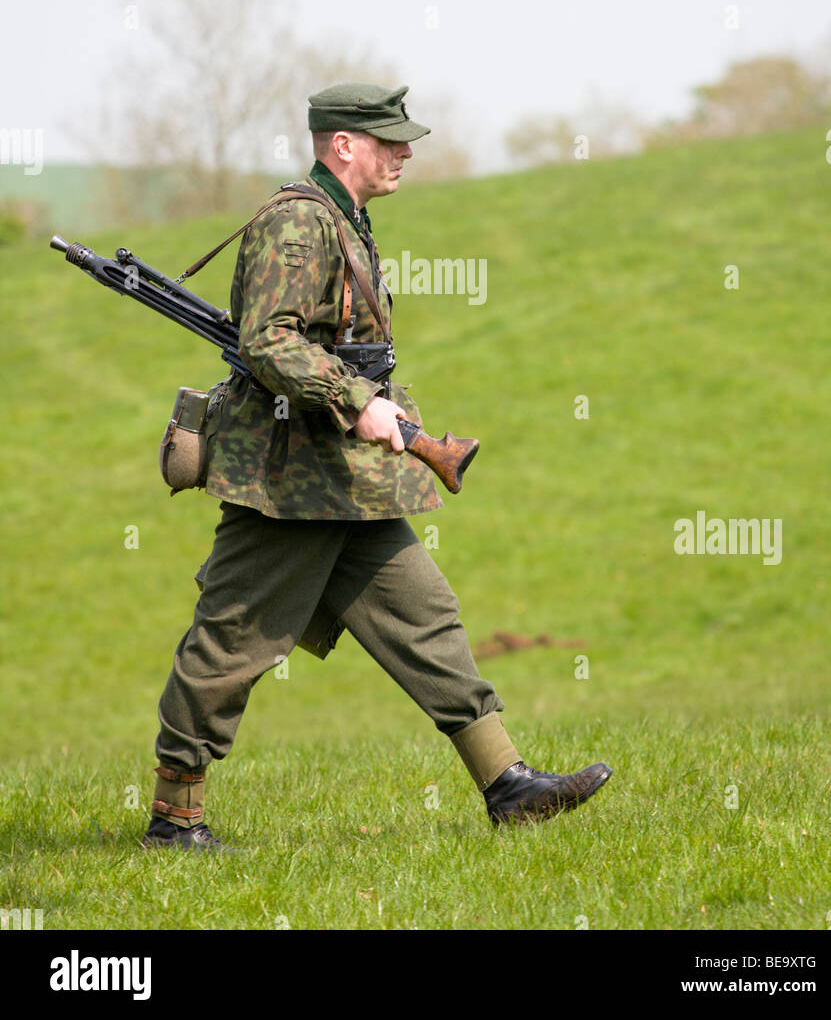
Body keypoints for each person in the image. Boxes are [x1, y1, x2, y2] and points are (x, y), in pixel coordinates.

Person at [142, 83, 612, 850]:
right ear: (343, 145)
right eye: (390, 141)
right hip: (287, 487)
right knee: (230, 647)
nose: (406, 153)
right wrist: (357, 397)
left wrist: (361, 402)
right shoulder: (300, 222)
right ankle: (175, 819)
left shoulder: (343, 218)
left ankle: (509, 787)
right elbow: (268, 341)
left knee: (428, 621)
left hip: (343, 480)